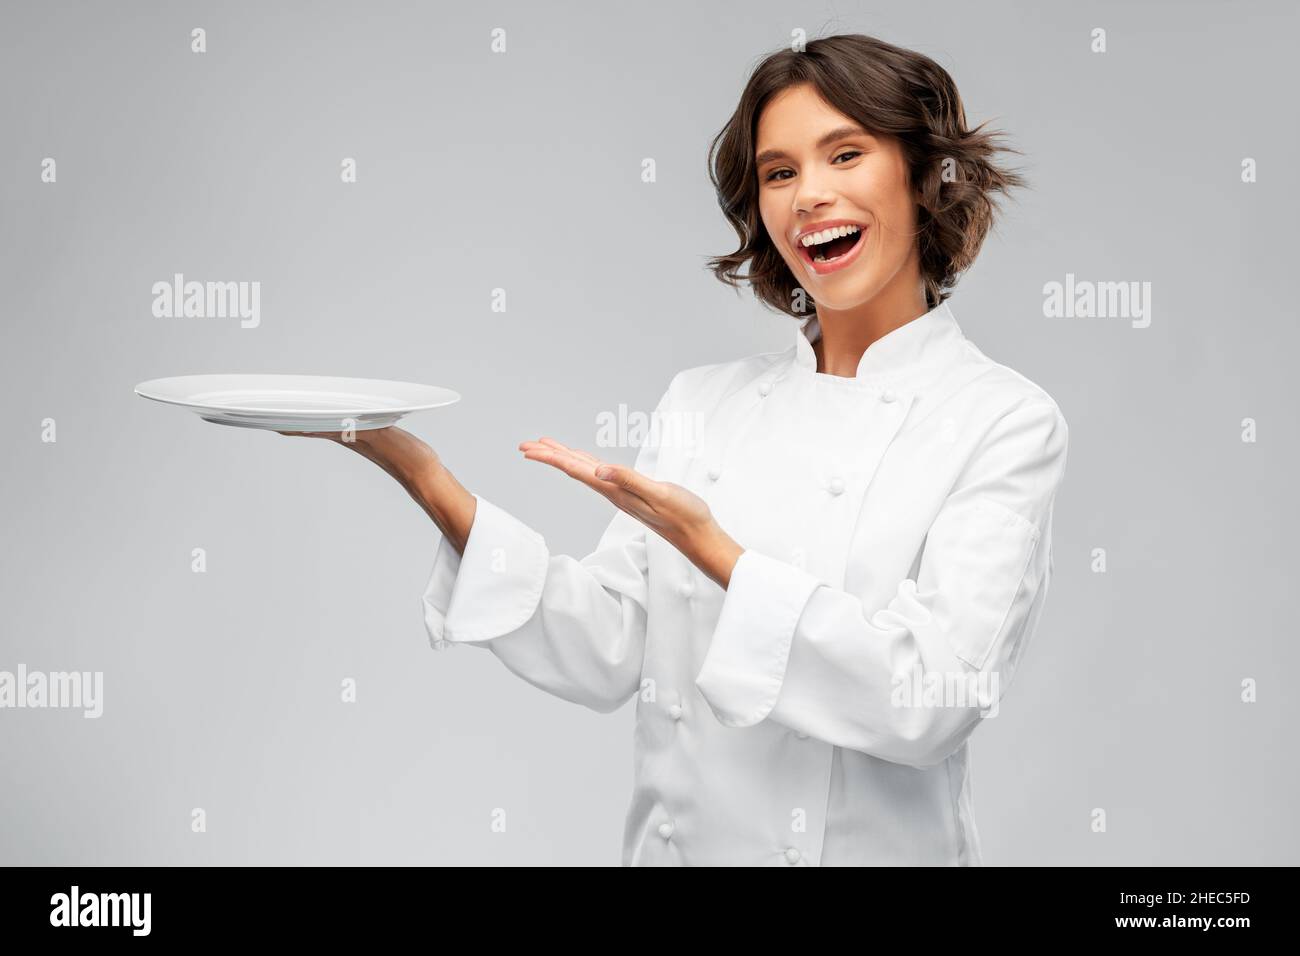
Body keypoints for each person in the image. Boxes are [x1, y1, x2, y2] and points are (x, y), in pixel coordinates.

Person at [283, 34, 1069, 866]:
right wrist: (420, 473)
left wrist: (715, 551)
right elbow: (608, 648)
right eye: (779, 172)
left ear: (924, 176)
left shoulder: (1000, 419)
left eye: (846, 154)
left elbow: (929, 701)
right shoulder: (704, 401)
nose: (810, 195)